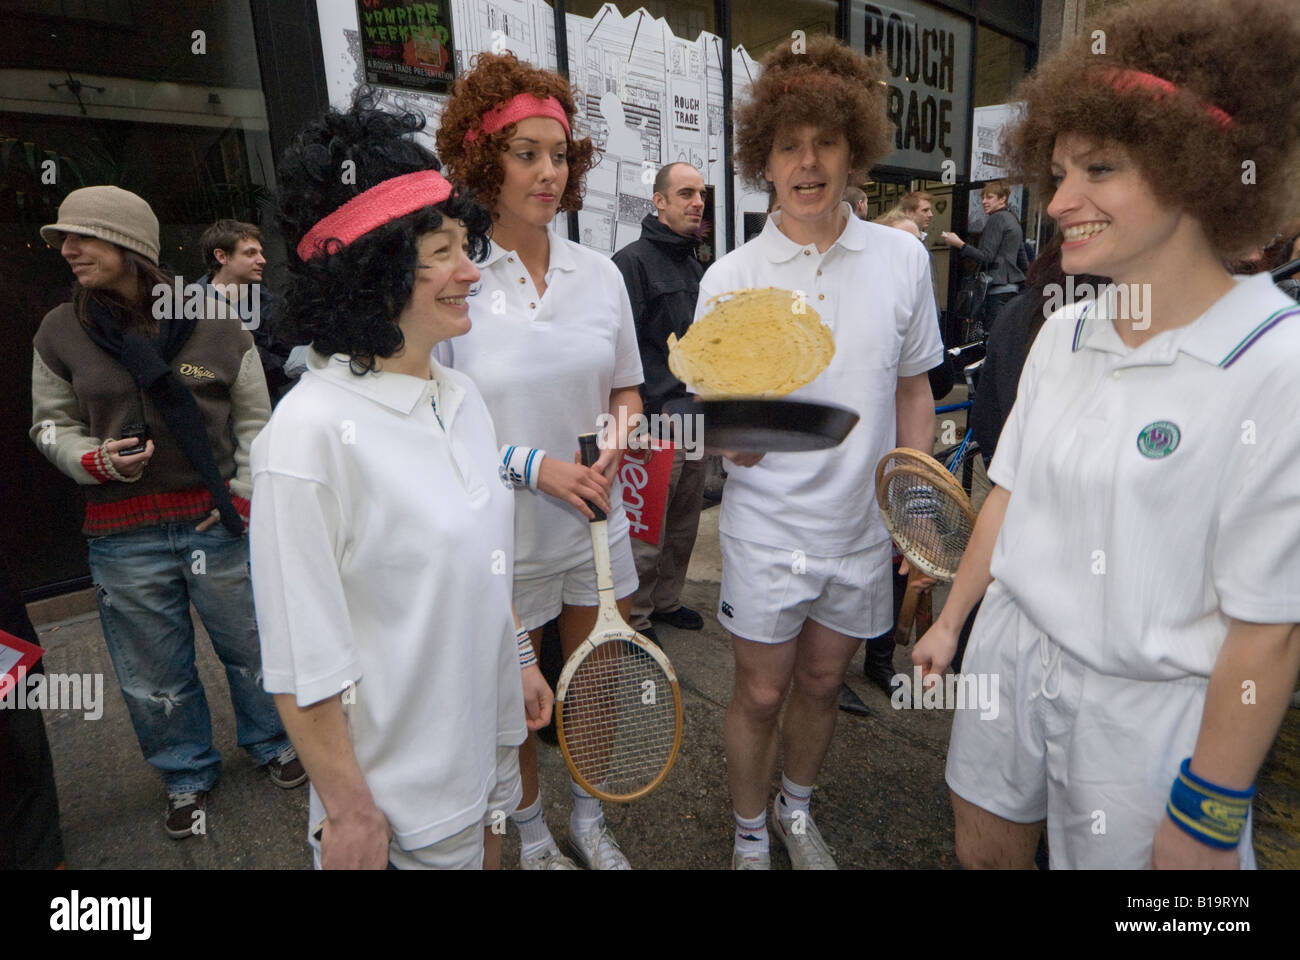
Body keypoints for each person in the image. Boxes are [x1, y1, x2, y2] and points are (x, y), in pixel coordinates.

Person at [914, 0, 1300, 869]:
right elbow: (1009, 491)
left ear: (1196, 171)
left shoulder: (1278, 366)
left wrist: (1207, 809)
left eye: (1100, 168)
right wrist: (956, 619)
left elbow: (1268, 628)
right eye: (1057, 171)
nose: (1060, 202)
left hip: (1151, 717)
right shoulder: (1064, 330)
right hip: (1010, 658)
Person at [250, 92, 552, 870]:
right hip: (396, 811)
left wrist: (518, 657)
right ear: (374, 270)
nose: (471, 273)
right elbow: (301, 659)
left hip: (484, 763)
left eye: (465, 245)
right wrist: (350, 814)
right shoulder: (308, 437)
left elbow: (485, 562)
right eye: (443, 252)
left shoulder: (462, 399)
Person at [700, 36, 942, 869]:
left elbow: (915, 390)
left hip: (859, 530)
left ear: (854, 150)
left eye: (826, 142)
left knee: (821, 684)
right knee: (762, 689)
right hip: (768, 527)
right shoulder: (729, 278)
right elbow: (716, 423)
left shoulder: (904, 259)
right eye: (789, 145)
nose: (809, 162)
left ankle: (796, 813)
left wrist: (914, 514)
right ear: (762, 159)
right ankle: (747, 831)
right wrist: (735, 442)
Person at [30, 185, 302, 840]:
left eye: (83, 236)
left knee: (251, 644)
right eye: (64, 238)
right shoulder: (59, 330)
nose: (67, 249)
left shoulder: (212, 318)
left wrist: (241, 492)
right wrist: (89, 459)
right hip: (122, 532)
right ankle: (184, 774)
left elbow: (256, 419)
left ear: (130, 245)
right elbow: (49, 425)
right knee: (152, 668)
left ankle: (273, 742)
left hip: (217, 521)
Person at [436, 52, 644, 871]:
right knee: (518, 705)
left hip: (596, 527)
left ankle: (589, 822)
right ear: (486, 160)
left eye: (559, 155)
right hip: (502, 538)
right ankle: (530, 840)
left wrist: (620, 437)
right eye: (526, 153)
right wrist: (535, 465)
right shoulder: (454, 280)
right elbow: (442, 427)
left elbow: (627, 388)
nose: (548, 173)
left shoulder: (602, 275)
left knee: (595, 689)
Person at [612, 162, 708, 645]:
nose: (697, 203)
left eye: (701, 195)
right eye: (685, 193)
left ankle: (667, 601)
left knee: (684, 523)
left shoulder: (697, 264)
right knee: (644, 532)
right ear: (660, 202)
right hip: (654, 421)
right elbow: (617, 351)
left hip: (695, 418)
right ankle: (637, 617)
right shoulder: (630, 263)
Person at [198, 219, 303, 404]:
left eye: (260, 252)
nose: (262, 260)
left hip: (264, 408)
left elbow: (288, 360)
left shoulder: (271, 304)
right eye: (250, 253)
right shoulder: (188, 307)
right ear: (222, 257)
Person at [941, 181, 1027, 333]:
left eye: (989, 197)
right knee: (1004, 335)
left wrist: (960, 244)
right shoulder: (1013, 219)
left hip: (995, 289)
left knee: (990, 338)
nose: (984, 201)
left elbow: (986, 257)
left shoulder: (997, 219)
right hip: (1012, 290)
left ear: (1003, 198)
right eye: (983, 197)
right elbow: (1023, 259)